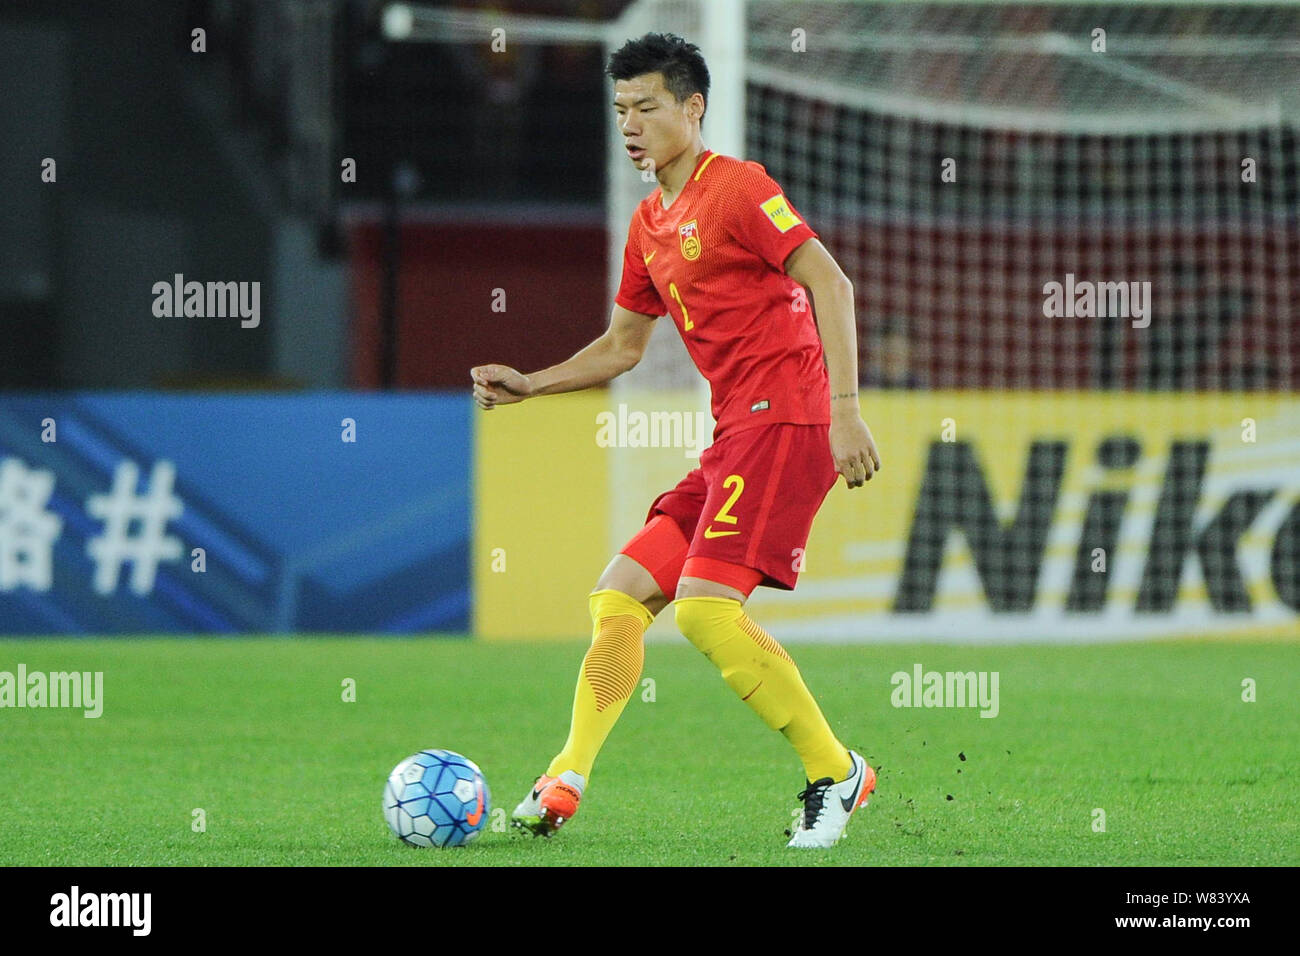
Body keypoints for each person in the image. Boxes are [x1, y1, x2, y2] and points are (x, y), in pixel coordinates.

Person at [470, 32, 882, 848]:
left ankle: (837, 773)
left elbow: (828, 280)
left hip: (791, 417)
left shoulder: (738, 190)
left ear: (692, 109)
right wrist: (533, 383)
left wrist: (845, 409)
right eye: (621, 109)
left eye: (647, 108)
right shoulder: (649, 224)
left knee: (703, 614)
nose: (630, 124)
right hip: (735, 432)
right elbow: (624, 347)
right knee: (619, 595)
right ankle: (565, 778)